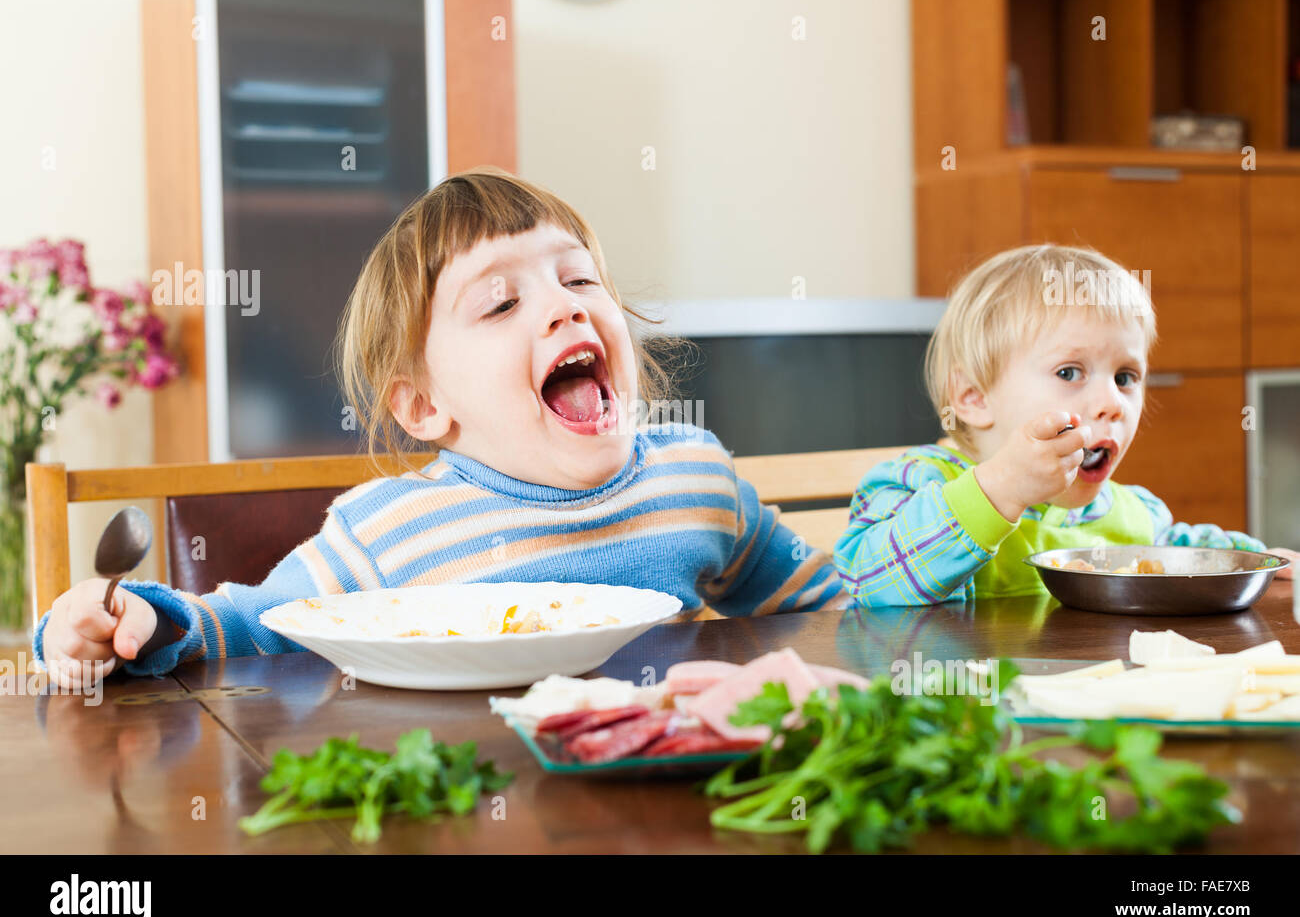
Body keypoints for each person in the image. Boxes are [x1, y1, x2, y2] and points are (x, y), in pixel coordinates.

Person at [37, 168, 843, 686]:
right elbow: (251, 625)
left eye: (579, 278)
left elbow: (823, 607)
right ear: (424, 407)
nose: (565, 305)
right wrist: (132, 620)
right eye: (501, 303)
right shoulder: (385, 532)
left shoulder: (695, 479)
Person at [835, 244, 1298, 606]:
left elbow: (1188, 553)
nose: (1112, 403)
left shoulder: (1135, 514)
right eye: (1069, 373)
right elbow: (865, 583)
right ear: (972, 396)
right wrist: (1001, 489)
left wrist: (1261, 562)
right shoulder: (915, 482)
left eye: (1125, 377)